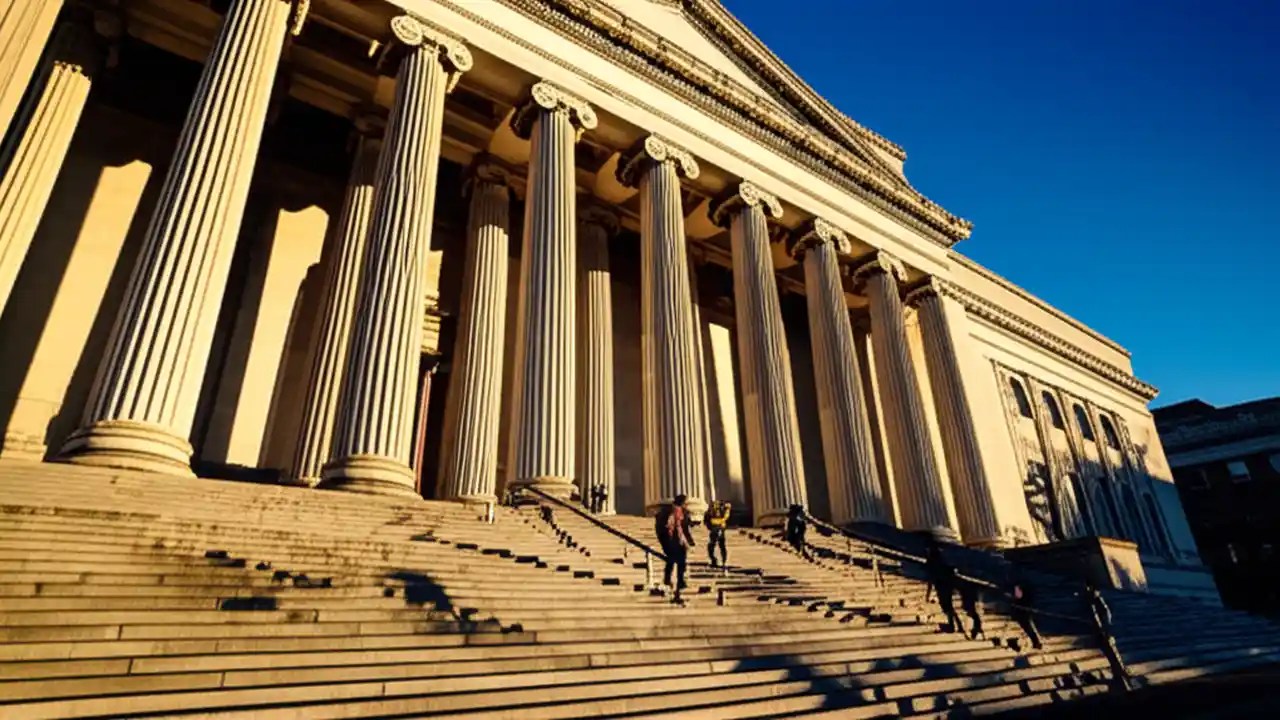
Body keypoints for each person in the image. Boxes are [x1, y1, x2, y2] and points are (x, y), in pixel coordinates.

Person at [1083, 582, 1132, 691]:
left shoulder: (1099, 604)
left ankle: (1120, 673)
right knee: (1113, 654)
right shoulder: (1098, 604)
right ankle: (1120, 673)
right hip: (1104, 632)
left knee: (1112, 654)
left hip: (1104, 632)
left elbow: (1104, 615)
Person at [656, 495, 694, 600]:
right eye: (685, 502)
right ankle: (669, 581)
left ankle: (679, 581)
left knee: (681, 562)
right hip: (672, 540)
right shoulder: (669, 511)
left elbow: (685, 527)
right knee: (672, 561)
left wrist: (689, 541)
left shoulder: (683, 512)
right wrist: (665, 541)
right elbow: (664, 527)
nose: (686, 504)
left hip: (679, 540)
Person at [924, 542, 963, 635]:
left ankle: (953, 625)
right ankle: (957, 625)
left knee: (947, 608)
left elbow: (930, 579)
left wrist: (928, 594)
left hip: (941, 587)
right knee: (949, 607)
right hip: (947, 586)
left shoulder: (931, 563)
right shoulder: (942, 560)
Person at [1007, 568, 1043, 651]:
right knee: (1027, 625)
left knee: (1025, 625)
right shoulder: (1026, 582)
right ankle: (1034, 642)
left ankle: (1033, 642)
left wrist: (1012, 598)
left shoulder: (1018, 585)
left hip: (1021, 608)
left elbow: (1018, 596)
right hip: (1025, 607)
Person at [704, 500, 731, 567]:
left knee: (719, 545)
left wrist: (727, 509)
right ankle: (716, 559)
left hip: (718, 529)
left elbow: (725, 517)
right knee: (714, 545)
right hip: (715, 529)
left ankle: (722, 560)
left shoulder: (721, 511)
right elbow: (707, 521)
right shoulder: (710, 512)